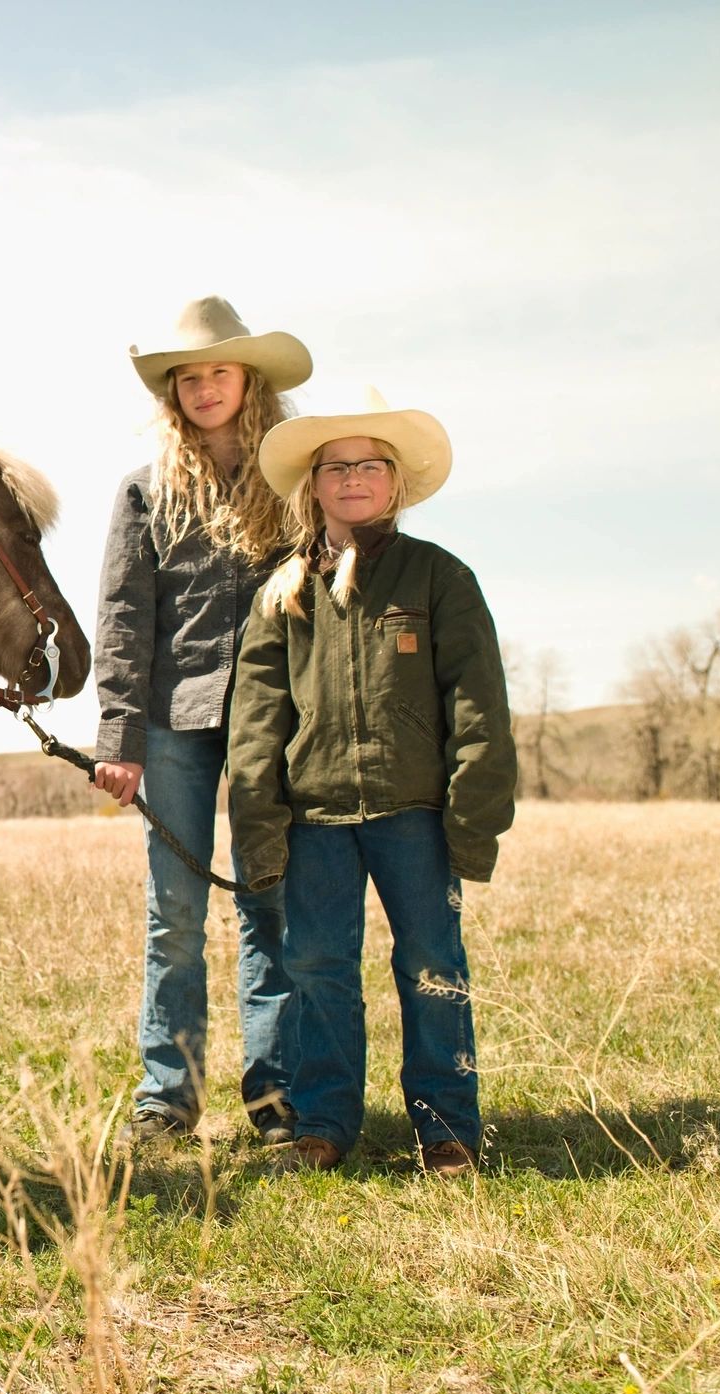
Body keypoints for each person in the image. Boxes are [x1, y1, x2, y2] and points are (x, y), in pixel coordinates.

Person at [228, 390, 516, 1176]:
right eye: (335, 467)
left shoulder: (438, 577)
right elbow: (256, 725)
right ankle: (323, 1123)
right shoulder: (281, 593)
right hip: (313, 820)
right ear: (313, 485)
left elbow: (478, 701)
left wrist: (474, 816)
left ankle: (446, 1126)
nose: (352, 477)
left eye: (368, 465)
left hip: (413, 814)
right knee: (318, 971)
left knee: (431, 964)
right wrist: (257, 825)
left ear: (392, 481)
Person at [91, 297, 311, 1145]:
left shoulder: (296, 481)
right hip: (173, 722)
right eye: (188, 377)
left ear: (247, 380)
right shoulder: (145, 490)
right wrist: (118, 740)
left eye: (219, 371)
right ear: (172, 393)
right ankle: (165, 1095)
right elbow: (121, 617)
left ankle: (276, 1094)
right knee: (173, 913)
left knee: (272, 904)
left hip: (274, 718)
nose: (205, 387)